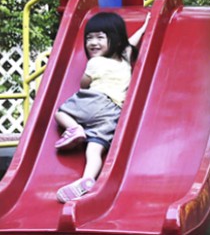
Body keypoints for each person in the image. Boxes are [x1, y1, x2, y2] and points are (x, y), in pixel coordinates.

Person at [54, 10, 150, 203]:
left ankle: (74, 128)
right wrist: (146, 26)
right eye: (89, 38)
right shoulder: (125, 59)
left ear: (114, 39)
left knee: (61, 112)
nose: (93, 43)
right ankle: (88, 178)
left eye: (99, 38)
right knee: (95, 147)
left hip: (94, 100)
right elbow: (132, 42)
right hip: (114, 113)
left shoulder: (95, 62)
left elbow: (84, 83)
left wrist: (85, 84)